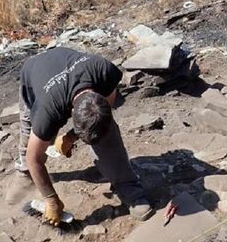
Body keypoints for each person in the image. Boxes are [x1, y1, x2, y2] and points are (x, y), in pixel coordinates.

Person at [15, 47, 152, 226]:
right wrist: (51, 200)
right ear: (70, 113)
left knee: (108, 133)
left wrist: (71, 136)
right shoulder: (46, 112)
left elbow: (106, 111)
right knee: (30, 141)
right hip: (33, 75)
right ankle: (24, 175)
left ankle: (127, 185)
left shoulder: (104, 71)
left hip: (66, 64)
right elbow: (34, 158)